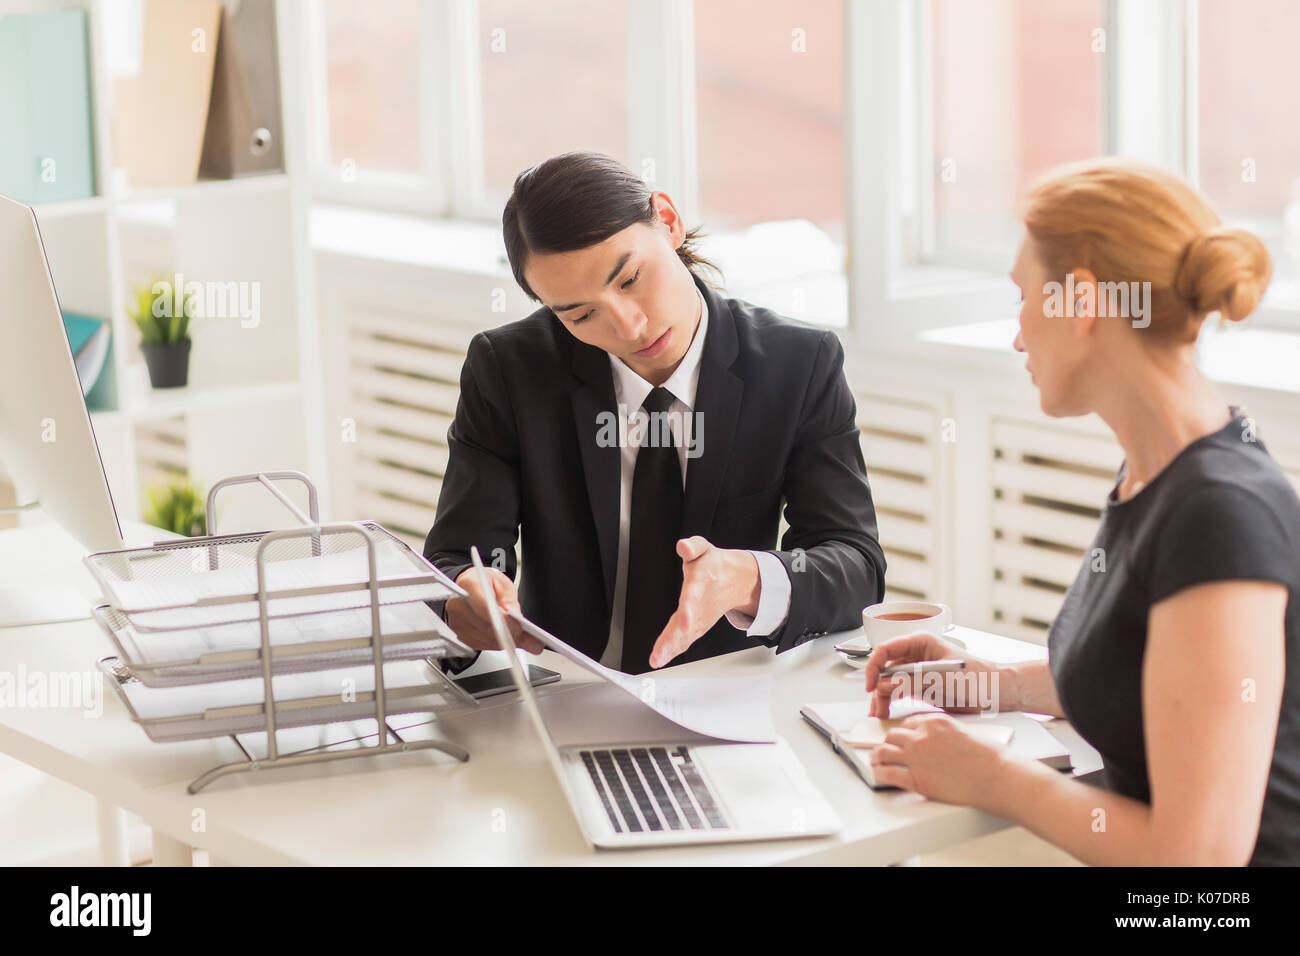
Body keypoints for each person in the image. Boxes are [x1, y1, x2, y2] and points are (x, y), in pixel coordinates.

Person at [863, 159, 1300, 866]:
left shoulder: (1220, 513)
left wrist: (991, 779)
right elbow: (1140, 673)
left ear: (1084, 302)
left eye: (1023, 298)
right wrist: (986, 683)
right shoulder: (1161, 471)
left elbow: (1203, 864)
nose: (1017, 336)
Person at [424, 151, 886, 675]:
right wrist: (468, 597)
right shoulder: (509, 369)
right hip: (565, 689)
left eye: (630, 279)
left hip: (721, 692)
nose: (628, 326)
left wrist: (747, 577)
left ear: (667, 221)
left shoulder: (797, 365)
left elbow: (856, 565)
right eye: (580, 314)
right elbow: (457, 560)